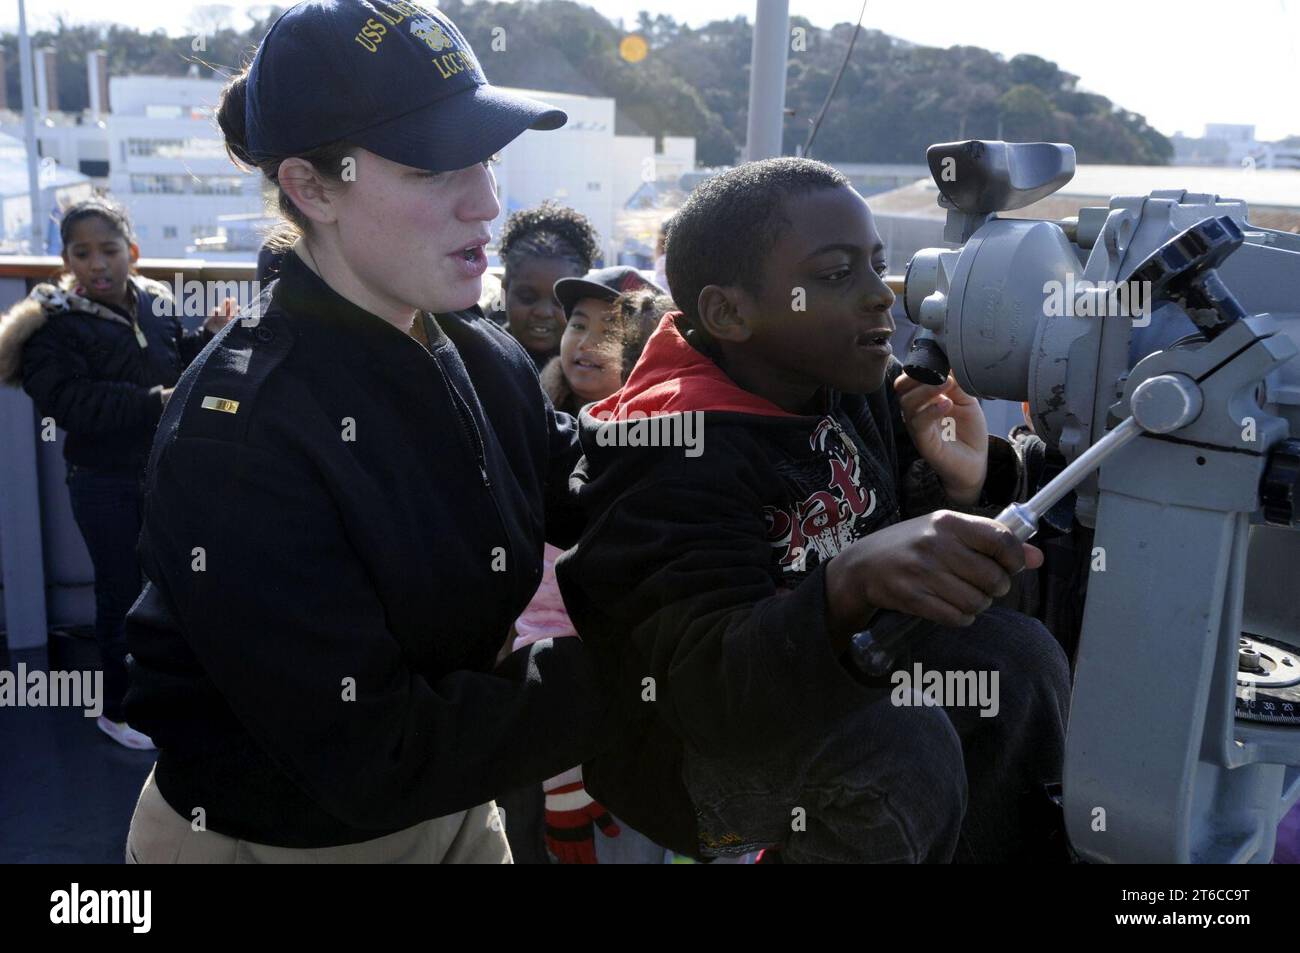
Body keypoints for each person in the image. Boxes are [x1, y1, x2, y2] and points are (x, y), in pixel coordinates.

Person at [121, 0, 610, 864]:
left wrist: (752, 456)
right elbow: (368, 749)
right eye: (435, 167)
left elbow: (577, 480)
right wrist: (643, 674)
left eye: (488, 158)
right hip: (285, 835)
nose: (488, 202)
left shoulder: (474, 346)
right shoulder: (238, 437)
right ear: (312, 186)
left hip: (455, 797)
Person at [555, 157, 1072, 863]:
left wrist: (959, 481)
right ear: (729, 312)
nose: (879, 299)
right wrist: (846, 586)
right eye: (835, 275)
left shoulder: (843, 378)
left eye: (875, 266)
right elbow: (706, 694)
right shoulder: (669, 449)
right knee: (898, 750)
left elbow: (883, 521)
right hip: (690, 754)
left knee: (1017, 662)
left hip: (829, 679)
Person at [0, 196, 232, 750]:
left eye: (108, 250)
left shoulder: (156, 301)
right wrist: (160, 400)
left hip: (164, 472)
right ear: (67, 261)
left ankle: (168, 694)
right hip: (102, 480)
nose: (97, 264)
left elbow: (179, 363)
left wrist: (213, 336)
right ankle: (119, 709)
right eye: (82, 253)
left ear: (132, 251)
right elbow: (74, 406)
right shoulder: (52, 324)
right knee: (122, 591)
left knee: (172, 586)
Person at [502, 284, 670, 864]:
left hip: (618, 716)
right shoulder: (534, 434)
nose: (587, 341)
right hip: (525, 692)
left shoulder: (662, 452)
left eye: (613, 330)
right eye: (578, 323)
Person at [492, 201, 600, 368]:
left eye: (559, 301)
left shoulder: (593, 368)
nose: (543, 312)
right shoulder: (478, 357)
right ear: (505, 289)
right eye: (528, 298)